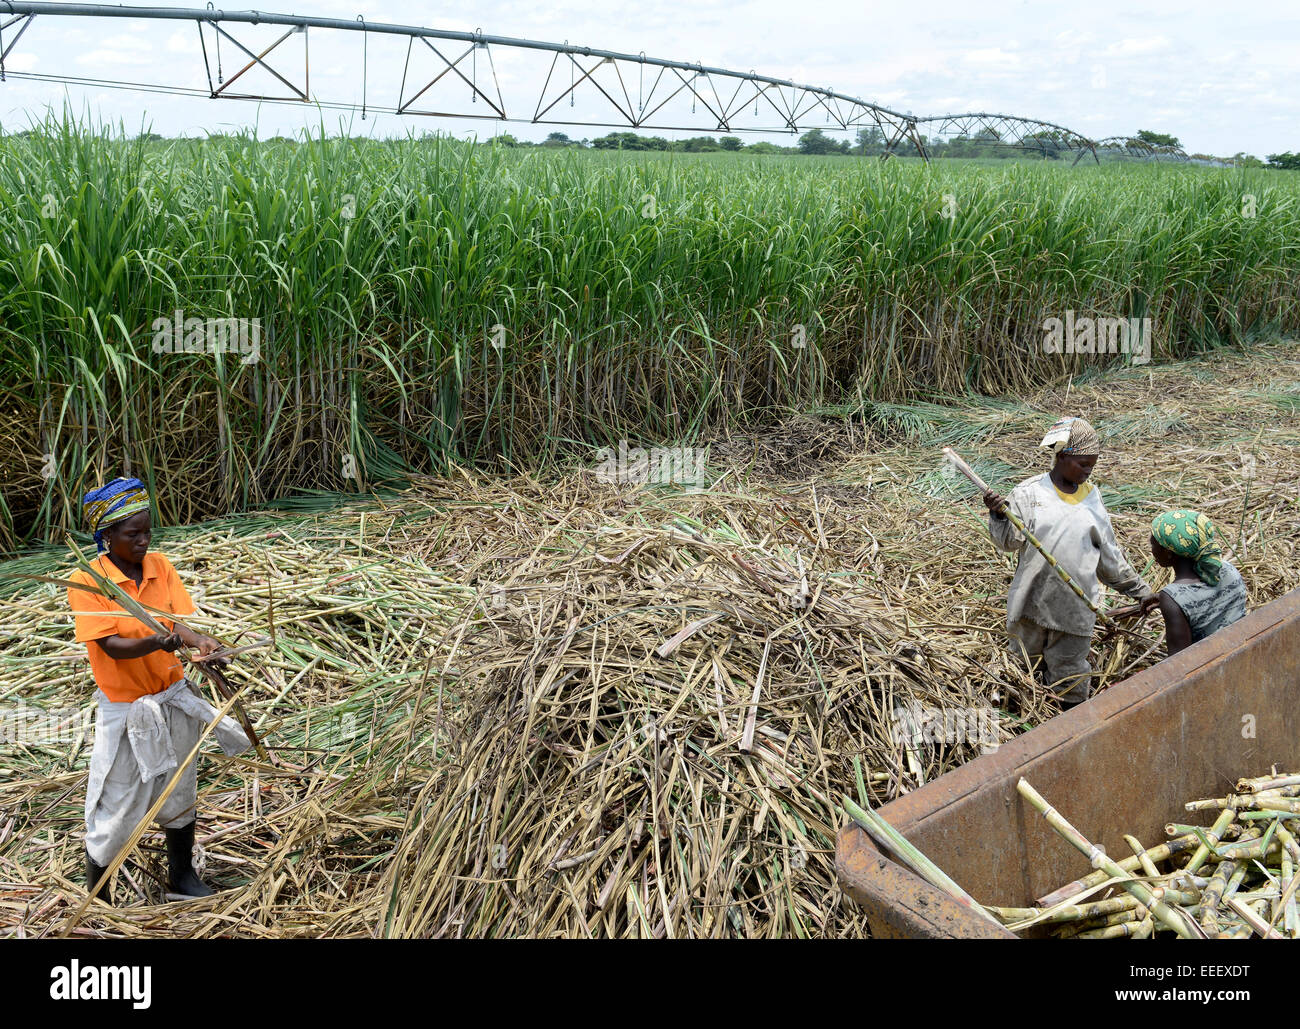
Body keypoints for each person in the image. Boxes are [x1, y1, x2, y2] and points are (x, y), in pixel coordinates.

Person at [69, 477, 249, 904]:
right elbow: (109, 645)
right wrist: (156, 642)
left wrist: (198, 642)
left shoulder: (159, 567)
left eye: (147, 531)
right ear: (107, 535)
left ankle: (182, 877)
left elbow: (174, 623)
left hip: (172, 698)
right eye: (133, 534)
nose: (144, 540)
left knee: (180, 789)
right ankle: (100, 895)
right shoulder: (88, 581)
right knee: (118, 800)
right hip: (125, 710)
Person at [981, 417, 1156, 707]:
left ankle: (1069, 726)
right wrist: (999, 515)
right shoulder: (1028, 493)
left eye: (1092, 465)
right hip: (1031, 604)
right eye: (1082, 464)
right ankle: (1020, 724)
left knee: (1070, 677)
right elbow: (1008, 542)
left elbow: (1108, 556)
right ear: (1061, 456)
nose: (1088, 471)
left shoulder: (1092, 497)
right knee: (1023, 671)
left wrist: (1140, 591)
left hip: (1075, 608)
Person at [1142, 509, 1247, 656]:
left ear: (1169, 553)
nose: (1151, 551)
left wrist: (1171, 600)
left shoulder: (1172, 599)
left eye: (1153, 544)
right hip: (1242, 650)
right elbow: (1203, 595)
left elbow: (1179, 661)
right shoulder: (1228, 569)